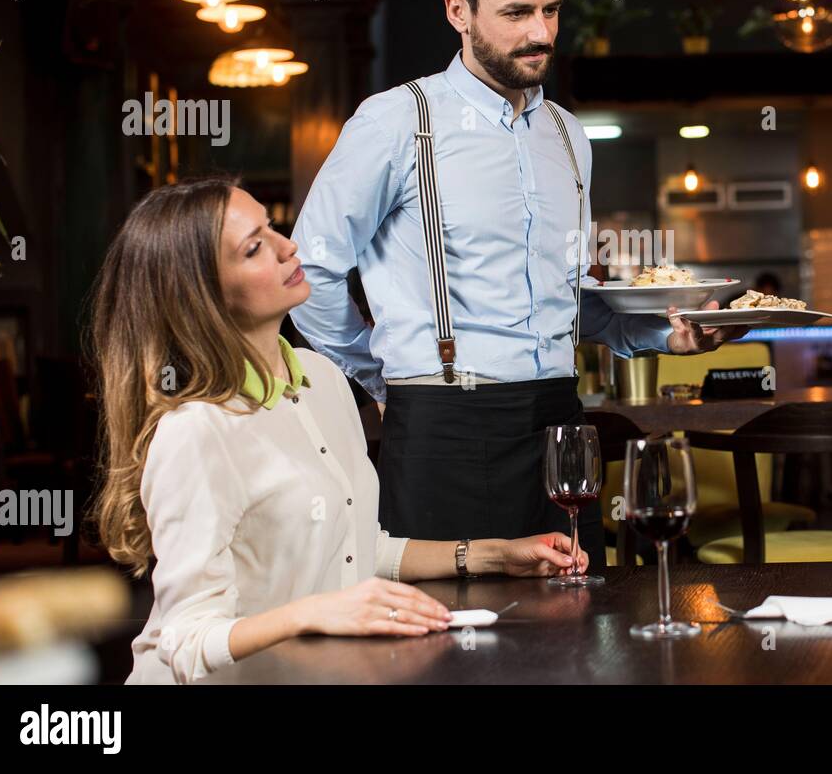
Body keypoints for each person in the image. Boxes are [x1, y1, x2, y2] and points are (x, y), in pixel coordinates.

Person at [290, 0, 745, 565]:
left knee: (577, 633)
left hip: (561, 421)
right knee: (446, 650)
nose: (541, 34)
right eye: (517, 14)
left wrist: (661, 335)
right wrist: (380, 377)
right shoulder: (396, 122)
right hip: (444, 427)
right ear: (458, 11)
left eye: (552, 11)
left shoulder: (568, 134)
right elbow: (310, 270)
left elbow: (570, 303)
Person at [90, 179, 588, 684]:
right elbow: (185, 640)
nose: (288, 247)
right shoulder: (196, 431)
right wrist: (313, 612)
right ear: (202, 294)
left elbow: (356, 550)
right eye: (255, 248)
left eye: (272, 228)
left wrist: (496, 555)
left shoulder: (320, 377)